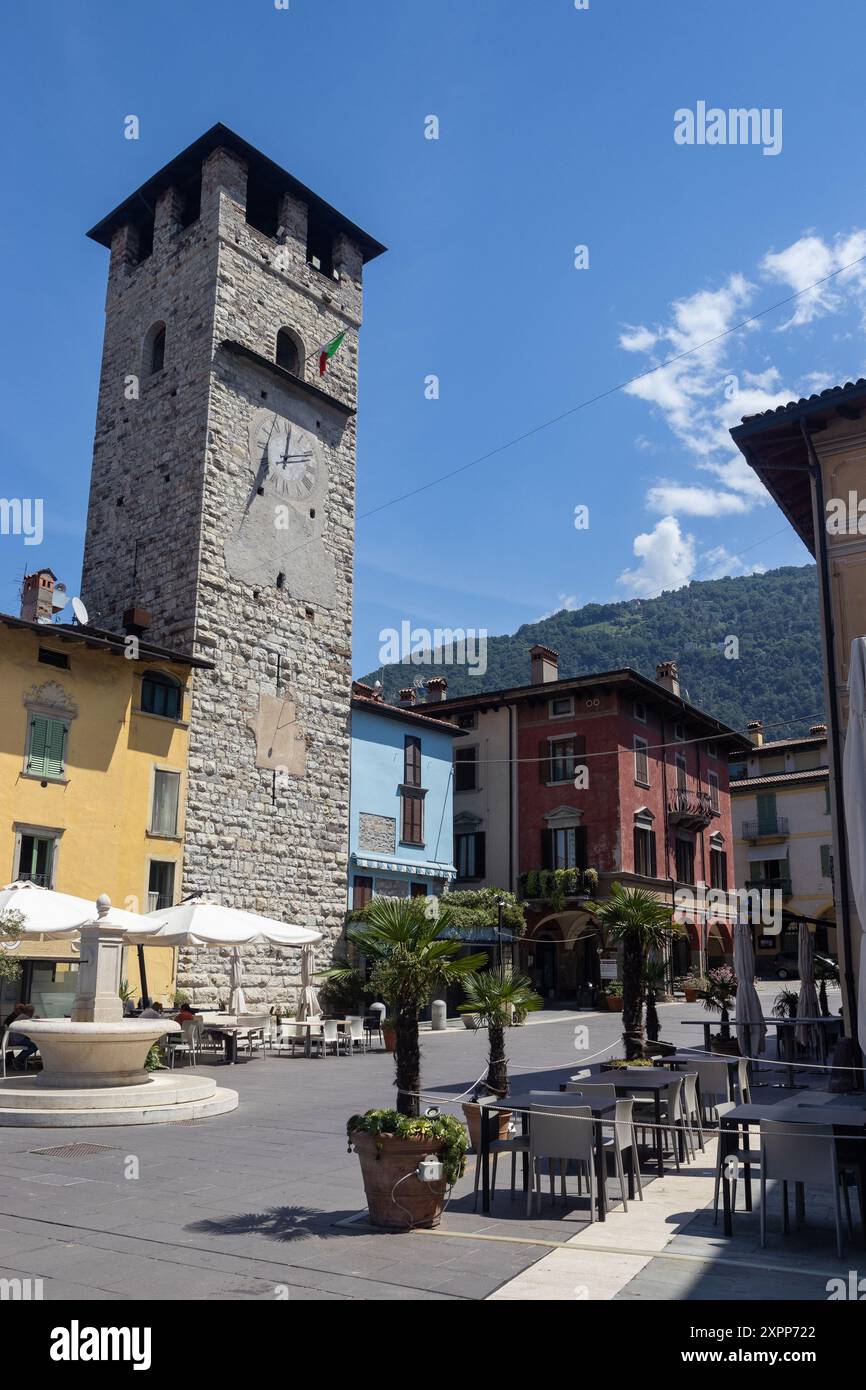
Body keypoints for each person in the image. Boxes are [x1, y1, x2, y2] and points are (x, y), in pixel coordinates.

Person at [4, 1004, 38, 1072]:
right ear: (30, 1012)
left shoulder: (21, 1016)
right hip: (17, 1040)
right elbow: (33, 1022)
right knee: (35, 1046)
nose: (32, 1013)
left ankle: (19, 1060)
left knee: (32, 1044)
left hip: (14, 1039)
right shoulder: (25, 1017)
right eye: (32, 1012)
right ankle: (18, 1060)